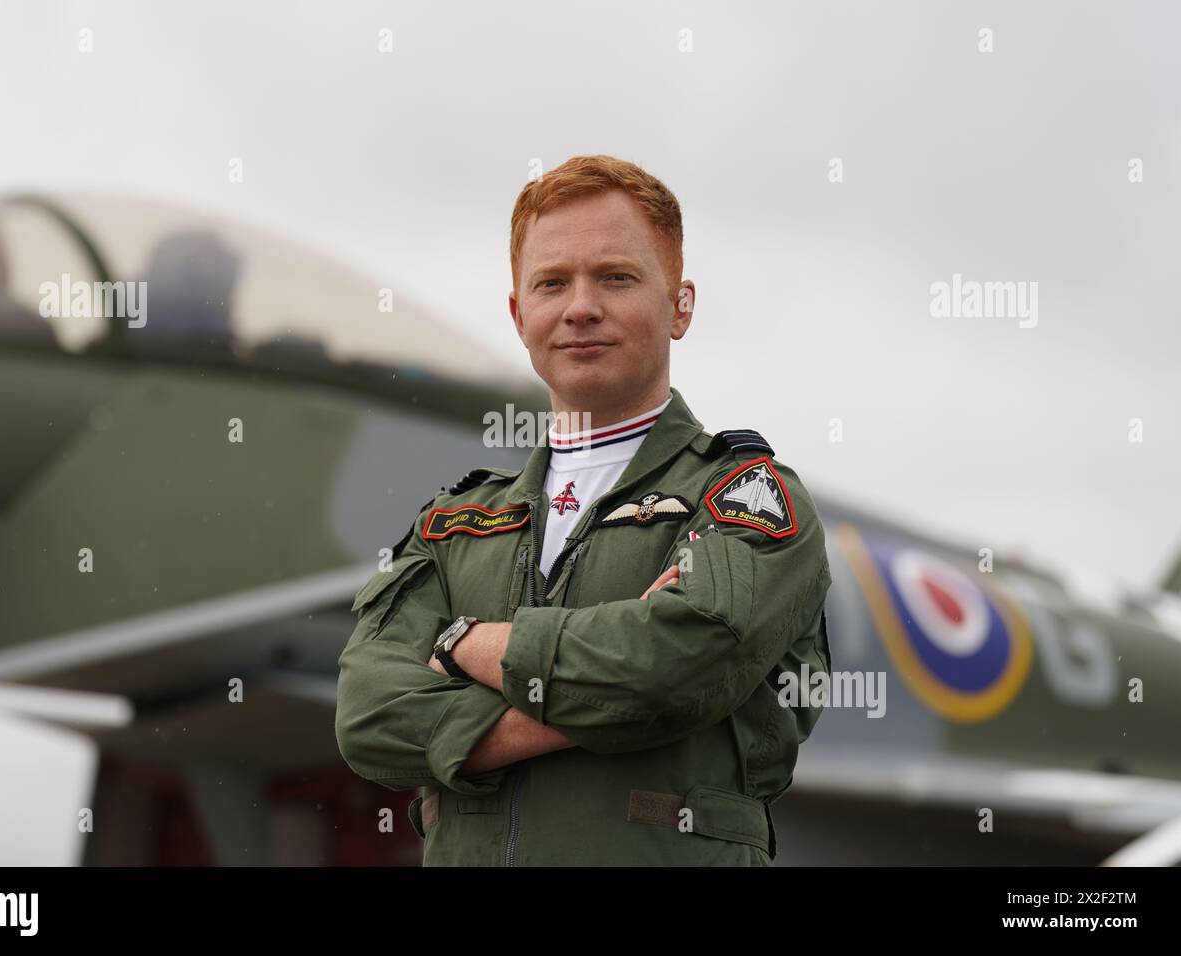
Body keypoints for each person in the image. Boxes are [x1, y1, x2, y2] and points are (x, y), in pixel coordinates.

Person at [335, 154, 832, 865]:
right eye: (552, 283)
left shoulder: (745, 499)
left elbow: (671, 670)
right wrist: (618, 696)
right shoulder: (455, 523)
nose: (580, 307)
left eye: (617, 277)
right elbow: (369, 719)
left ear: (680, 305)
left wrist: (461, 644)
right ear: (519, 313)